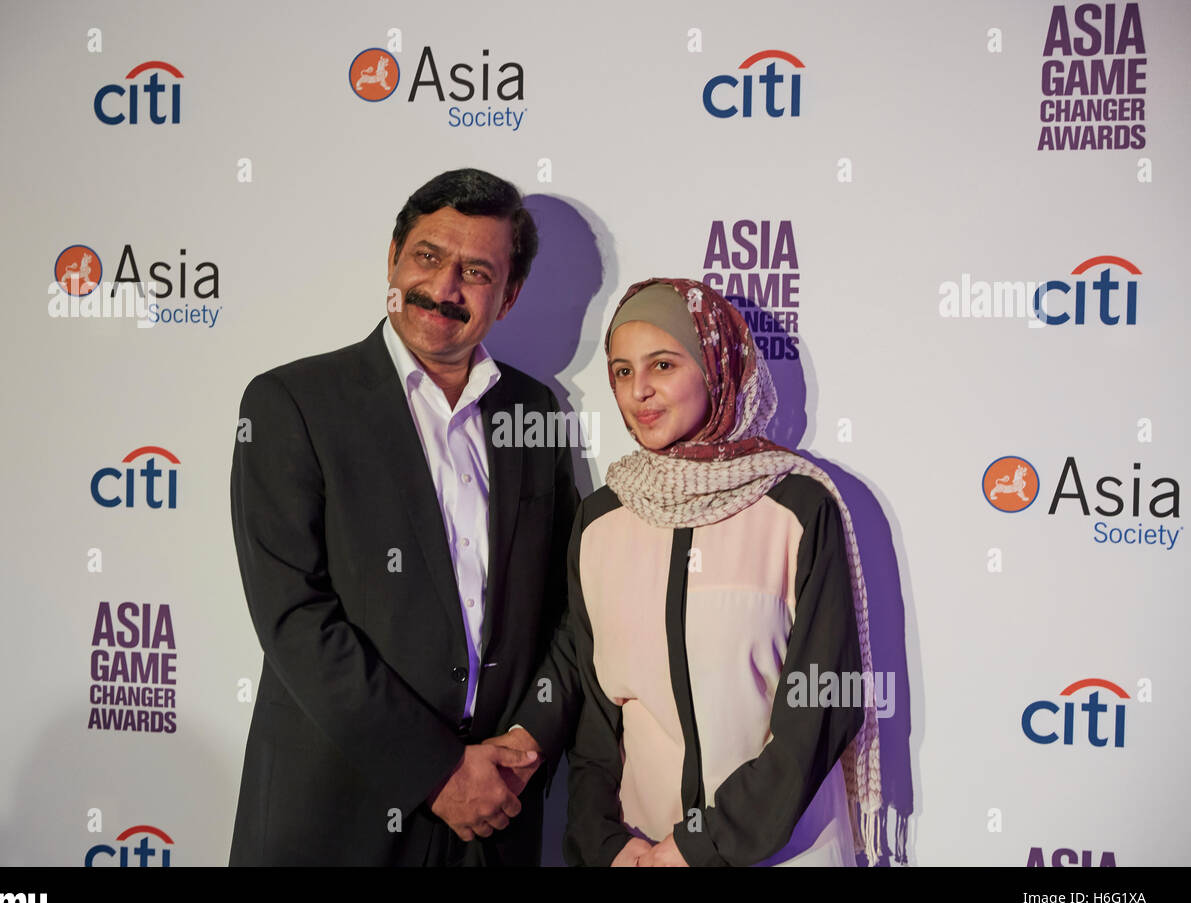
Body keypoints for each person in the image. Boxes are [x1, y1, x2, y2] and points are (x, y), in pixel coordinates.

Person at [228, 168, 581, 865]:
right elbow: (295, 617)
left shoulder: (534, 411)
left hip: (495, 820)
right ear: (393, 256)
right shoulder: (292, 403)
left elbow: (570, 601)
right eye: (427, 256)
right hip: (340, 816)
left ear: (508, 297)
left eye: (476, 271)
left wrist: (524, 746)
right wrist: (439, 772)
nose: (443, 288)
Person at [558, 277, 883, 866]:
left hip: (779, 851)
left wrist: (695, 851)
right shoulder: (600, 519)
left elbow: (821, 708)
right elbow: (597, 717)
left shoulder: (796, 508)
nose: (640, 392)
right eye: (623, 372)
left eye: (662, 364)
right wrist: (604, 843)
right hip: (641, 851)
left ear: (715, 367)